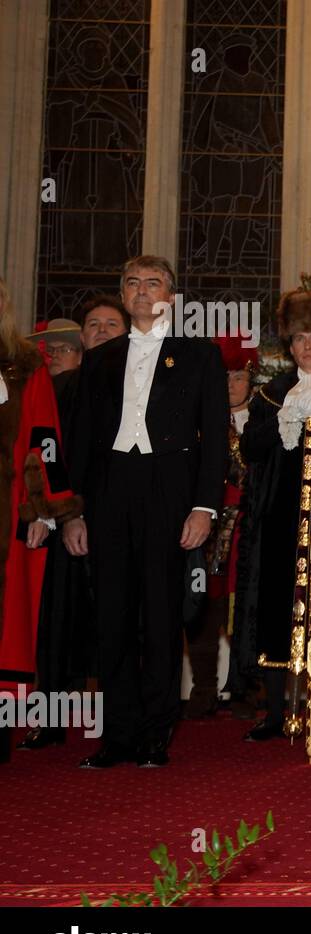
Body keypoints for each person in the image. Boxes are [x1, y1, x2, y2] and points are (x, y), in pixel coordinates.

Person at [65, 256, 227, 769]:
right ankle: (118, 736)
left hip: (170, 490)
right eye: (132, 282)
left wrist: (204, 508)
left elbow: (216, 441)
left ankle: (156, 735)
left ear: (171, 298)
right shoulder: (101, 358)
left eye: (152, 282)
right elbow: (81, 445)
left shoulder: (199, 355)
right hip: (110, 489)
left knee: (160, 614)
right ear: (123, 293)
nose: (141, 290)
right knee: (112, 615)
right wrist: (74, 513)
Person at [19, 296, 129, 750]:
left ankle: (115, 717)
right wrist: (56, 512)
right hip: (70, 518)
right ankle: (52, 718)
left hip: (124, 518)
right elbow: (48, 454)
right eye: (93, 324)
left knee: (117, 620)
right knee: (57, 621)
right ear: (82, 339)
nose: (101, 330)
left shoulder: (141, 385)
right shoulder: (60, 387)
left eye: (111, 323)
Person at [234, 290, 311, 739]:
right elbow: (251, 451)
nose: (308, 347)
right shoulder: (272, 394)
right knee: (278, 607)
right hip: (279, 516)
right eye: (299, 338)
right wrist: (280, 427)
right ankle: (275, 711)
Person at [1, 276, 81, 763]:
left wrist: (47, 511)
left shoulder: (25, 366)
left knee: (8, 615)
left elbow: (44, 439)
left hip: (7, 504)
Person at [183, 332, 257, 720]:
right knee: (204, 606)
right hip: (208, 522)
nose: (231, 384)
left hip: (249, 524)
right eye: (224, 377)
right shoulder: (199, 419)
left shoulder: (267, 417)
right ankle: (204, 687)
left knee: (243, 605)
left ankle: (243, 687)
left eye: (238, 377)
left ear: (250, 378)